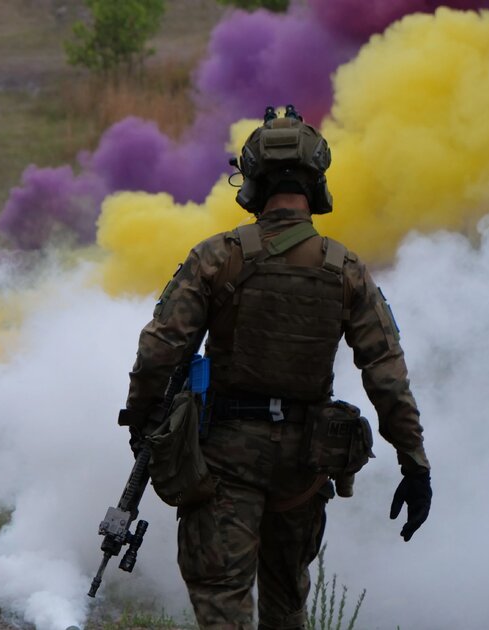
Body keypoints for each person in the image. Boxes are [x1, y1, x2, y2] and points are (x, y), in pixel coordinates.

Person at [122, 106, 432, 629]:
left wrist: (143, 424)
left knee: (223, 603)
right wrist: (414, 461)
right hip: (303, 466)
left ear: (254, 180)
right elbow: (386, 372)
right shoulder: (346, 269)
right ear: (316, 182)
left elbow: (162, 348)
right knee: (287, 609)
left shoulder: (217, 258)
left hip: (224, 460)